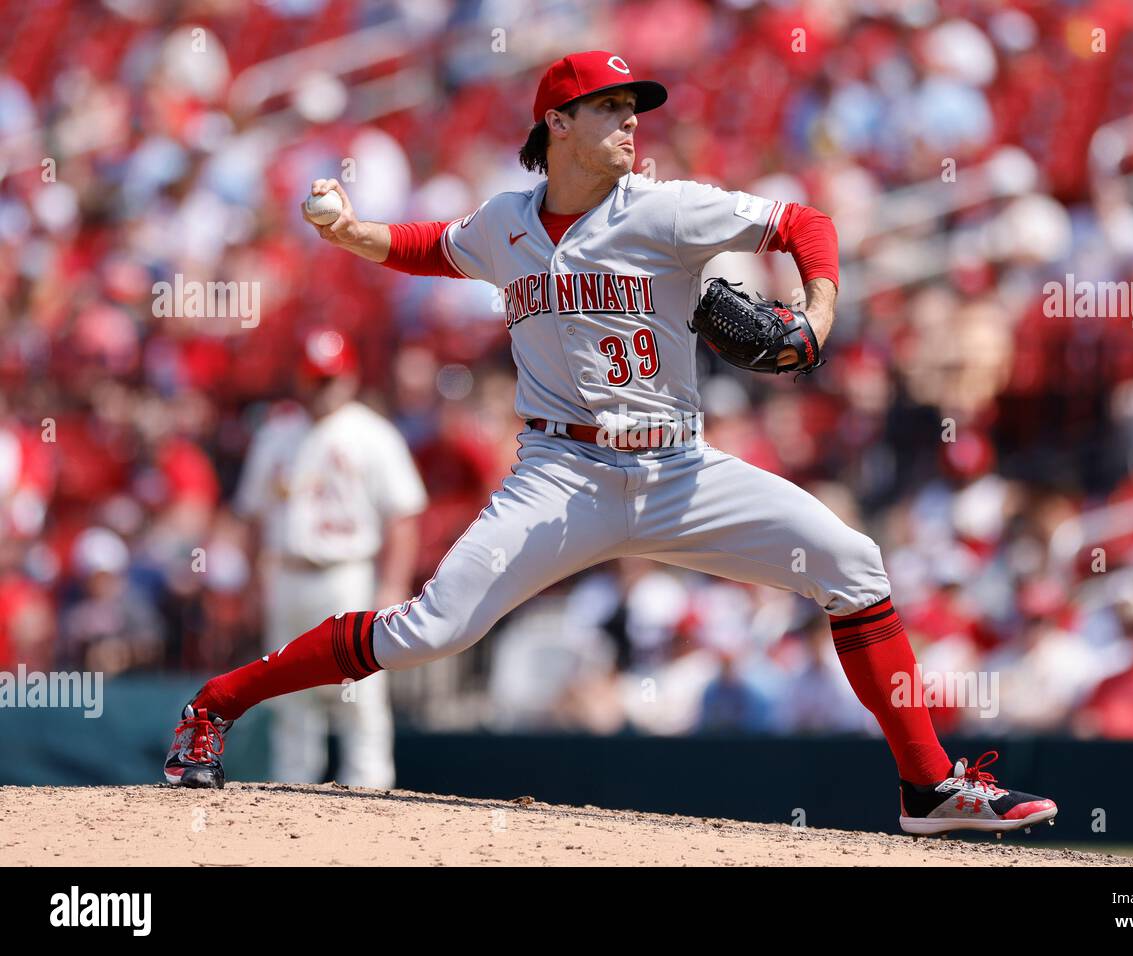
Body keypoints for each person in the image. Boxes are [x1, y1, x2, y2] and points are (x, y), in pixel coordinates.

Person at [165, 51, 1056, 836]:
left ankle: (927, 785)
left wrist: (817, 315)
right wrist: (349, 231)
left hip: (679, 468)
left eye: (635, 109)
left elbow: (804, 224)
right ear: (556, 123)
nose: (631, 123)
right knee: (429, 630)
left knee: (854, 564)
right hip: (564, 475)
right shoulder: (502, 225)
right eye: (610, 108)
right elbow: (428, 246)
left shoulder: (666, 210)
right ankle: (216, 702)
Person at [229, 329, 427, 788]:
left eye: (331, 378)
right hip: (288, 573)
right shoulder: (277, 433)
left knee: (360, 690)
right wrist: (253, 583)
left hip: (348, 574)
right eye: (315, 378)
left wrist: (393, 585)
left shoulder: (373, 433)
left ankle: (369, 787)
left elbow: (403, 517)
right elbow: (253, 517)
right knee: (286, 688)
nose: (323, 389)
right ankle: (291, 786)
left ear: (350, 377)